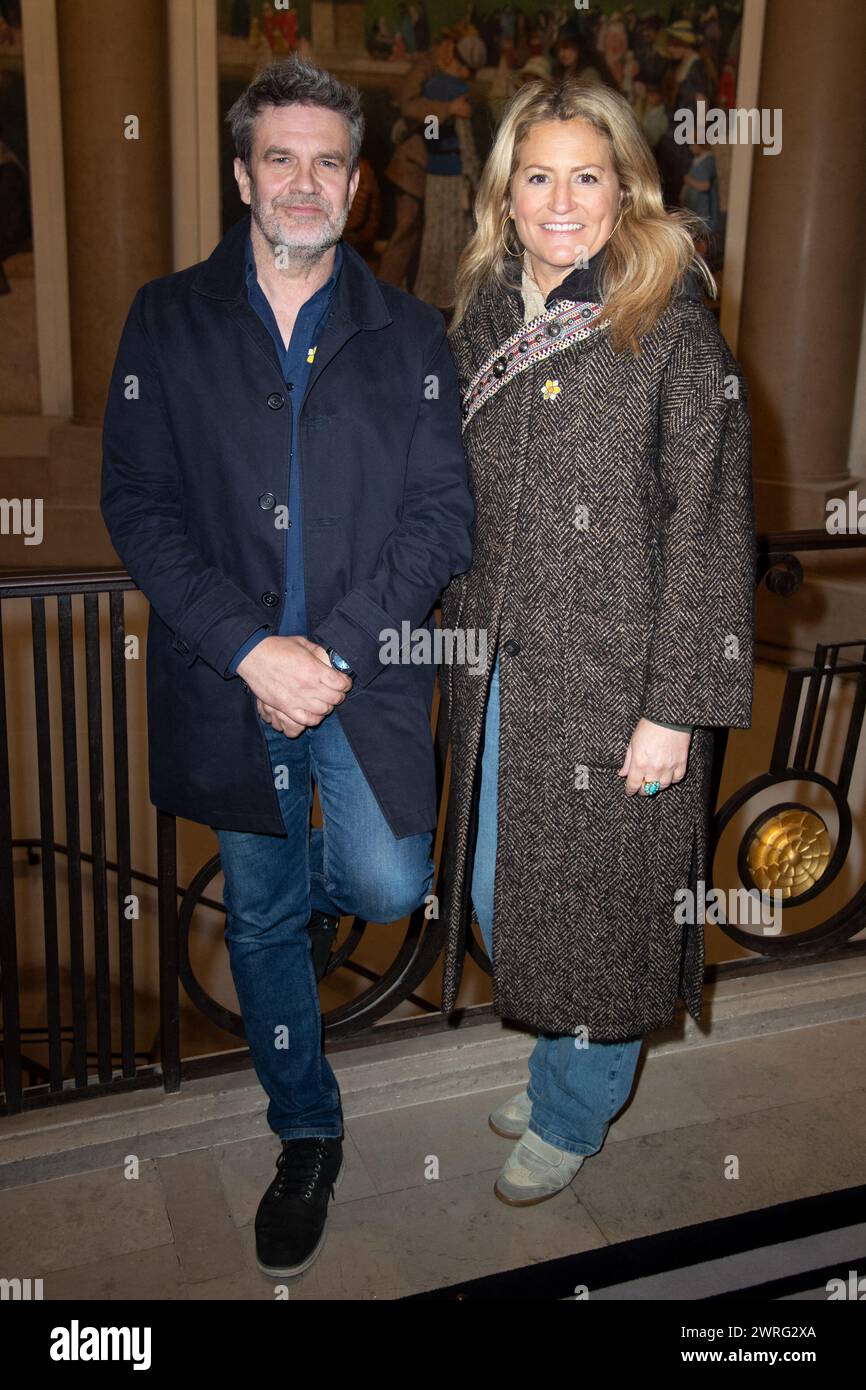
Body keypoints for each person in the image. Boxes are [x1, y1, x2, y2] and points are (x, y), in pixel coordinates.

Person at [101, 57, 473, 1275]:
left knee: (378, 882)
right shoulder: (166, 316)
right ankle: (304, 1127)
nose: (303, 180)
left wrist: (331, 650)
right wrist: (251, 645)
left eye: (327, 160)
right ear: (241, 174)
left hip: (355, 684)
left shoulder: (411, 331)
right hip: (227, 680)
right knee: (261, 913)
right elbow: (139, 505)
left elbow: (439, 518)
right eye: (280, 157)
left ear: (356, 185)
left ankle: (294, 934)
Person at [438, 77, 754, 1206]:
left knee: (604, 913)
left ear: (623, 187)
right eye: (537, 176)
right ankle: (559, 1052)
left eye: (585, 174)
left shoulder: (668, 321)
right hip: (497, 671)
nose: (560, 200)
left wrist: (675, 707)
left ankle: (575, 1107)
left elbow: (712, 527)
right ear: (504, 194)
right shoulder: (477, 309)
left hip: (623, 686)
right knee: (500, 891)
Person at [378, 47, 471, 289]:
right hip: (412, 164)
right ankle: (381, 293)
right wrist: (448, 110)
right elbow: (409, 107)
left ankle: (406, 294)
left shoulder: (442, 76)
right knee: (406, 232)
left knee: (418, 236)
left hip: (426, 165)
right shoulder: (425, 68)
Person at [412, 29, 484, 309]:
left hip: (434, 172)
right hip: (455, 175)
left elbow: (429, 134)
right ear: (467, 66)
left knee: (434, 238)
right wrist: (474, 176)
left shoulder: (432, 88)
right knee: (457, 237)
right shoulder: (461, 93)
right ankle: (452, 297)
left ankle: (428, 294)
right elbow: (468, 145)